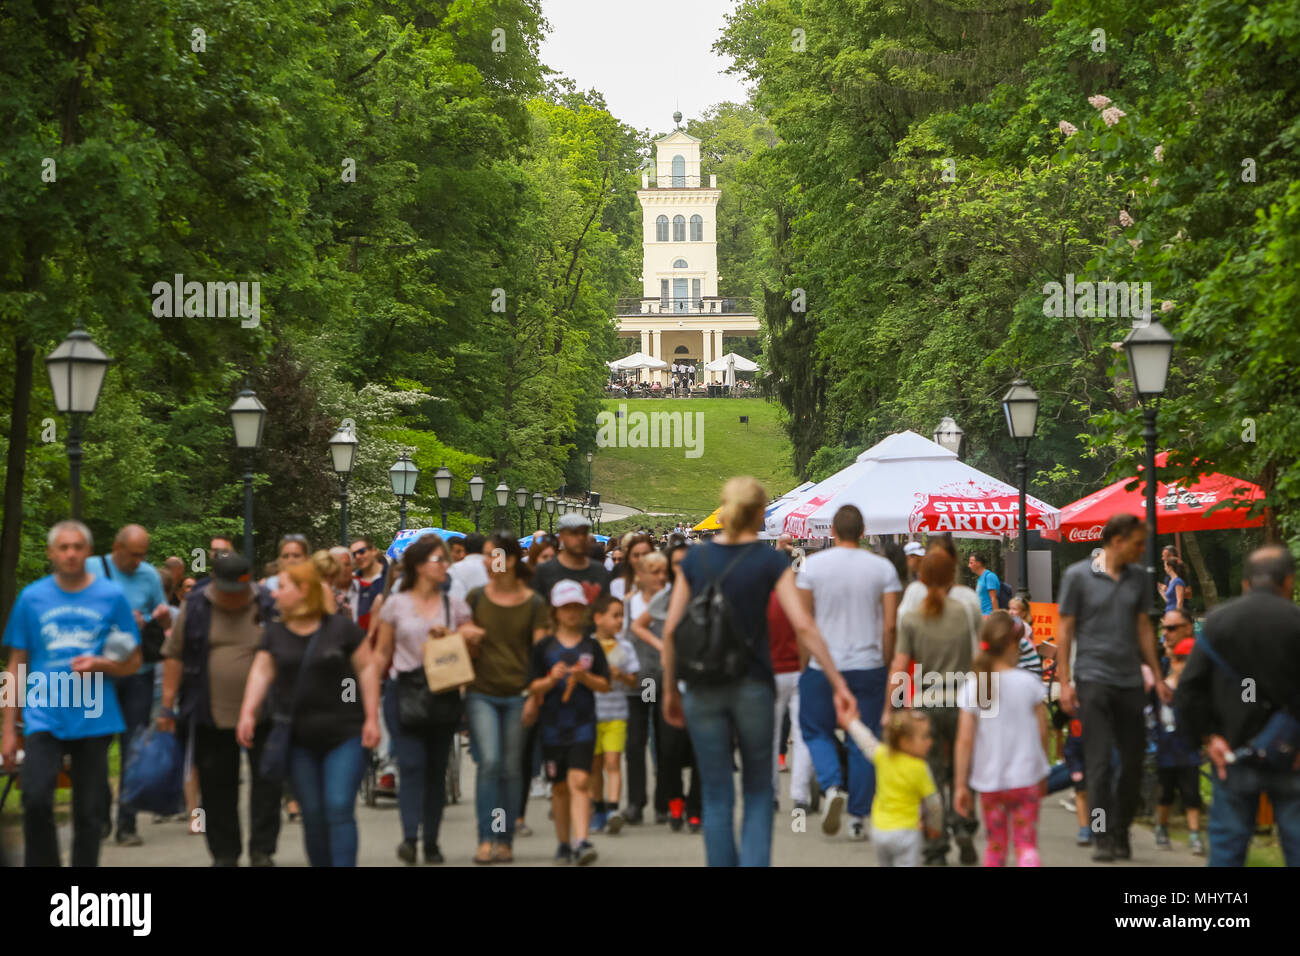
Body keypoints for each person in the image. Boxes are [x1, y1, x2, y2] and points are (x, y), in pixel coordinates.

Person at [662, 476, 854, 867]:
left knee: (716, 792)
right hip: (752, 683)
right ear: (761, 513)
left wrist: (669, 690)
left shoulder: (696, 559)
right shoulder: (770, 561)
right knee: (756, 790)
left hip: (702, 684)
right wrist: (836, 681)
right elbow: (803, 625)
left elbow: (670, 629)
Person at [2, 521, 142, 867]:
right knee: (34, 798)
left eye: (78, 547)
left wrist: (102, 664)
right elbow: (16, 662)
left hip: (94, 715)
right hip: (43, 712)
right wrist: (7, 730)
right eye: (63, 547)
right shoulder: (31, 598)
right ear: (52, 553)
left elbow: (133, 662)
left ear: (88, 552)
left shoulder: (111, 597)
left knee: (90, 811)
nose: (71, 553)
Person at [237, 561, 380, 866]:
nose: (275, 595)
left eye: (282, 587)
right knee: (313, 814)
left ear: (304, 591)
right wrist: (248, 712)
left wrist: (371, 717)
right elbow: (261, 673)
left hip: (346, 734)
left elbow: (366, 669)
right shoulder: (275, 633)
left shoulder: (341, 630)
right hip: (298, 737)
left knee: (339, 806)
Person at [1175, 545, 1300, 866]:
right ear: (1289, 581)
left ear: (1245, 583)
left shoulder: (1217, 624)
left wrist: (1207, 737)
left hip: (1230, 752)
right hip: (1292, 754)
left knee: (1228, 850)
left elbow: (1188, 690)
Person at [1057, 513, 1172, 862]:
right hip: (1092, 678)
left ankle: (1121, 829)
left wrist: (1157, 674)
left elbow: (1143, 629)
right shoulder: (1077, 576)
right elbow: (1064, 631)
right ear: (1117, 540)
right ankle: (1102, 834)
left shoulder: (1138, 578)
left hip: (1130, 681)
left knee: (1134, 762)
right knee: (1098, 762)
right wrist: (1064, 681)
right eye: (1138, 542)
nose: (1142, 549)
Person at [160, 553, 280, 866]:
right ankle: (225, 853)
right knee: (216, 786)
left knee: (267, 782)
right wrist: (166, 705)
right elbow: (174, 655)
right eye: (224, 588)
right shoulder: (197, 605)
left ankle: (262, 849)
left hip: (265, 713)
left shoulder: (267, 604)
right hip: (209, 712)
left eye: (236, 590)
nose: (230, 596)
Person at [796, 505, 902, 841]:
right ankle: (858, 816)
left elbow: (804, 622)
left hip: (822, 663)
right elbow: (889, 624)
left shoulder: (812, 567)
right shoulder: (882, 568)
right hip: (867, 664)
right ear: (863, 531)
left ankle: (830, 786)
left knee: (816, 730)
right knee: (864, 738)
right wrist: (885, 661)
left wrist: (804, 664)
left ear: (832, 531)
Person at [374, 534, 477, 865]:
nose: (445, 566)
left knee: (435, 771)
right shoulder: (396, 604)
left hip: (442, 691)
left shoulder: (455, 605)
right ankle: (409, 837)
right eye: (438, 560)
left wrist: (456, 636)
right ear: (418, 566)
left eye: (446, 560)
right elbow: (381, 652)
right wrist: (364, 694)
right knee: (411, 765)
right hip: (403, 690)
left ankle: (431, 842)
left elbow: (475, 646)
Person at [462, 533, 549, 863]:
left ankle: (505, 837)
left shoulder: (534, 603)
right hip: (482, 693)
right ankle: (486, 837)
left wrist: (535, 698)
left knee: (512, 768)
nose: (486, 561)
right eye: (484, 556)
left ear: (510, 561)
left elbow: (539, 657)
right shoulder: (475, 598)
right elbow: (464, 648)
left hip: (519, 693)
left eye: (491, 555)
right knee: (491, 763)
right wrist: (465, 636)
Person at [890, 547, 980, 864]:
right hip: (963, 704)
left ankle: (936, 846)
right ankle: (964, 825)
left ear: (923, 578)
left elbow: (900, 667)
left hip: (927, 703)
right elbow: (980, 660)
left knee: (929, 779)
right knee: (961, 771)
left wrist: (894, 706)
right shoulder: (966, 612)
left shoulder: (913, 619)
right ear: (952, 575)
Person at [953, 611, 1051, 867]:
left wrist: (961, 784)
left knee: (995, 847)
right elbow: (1043, 731)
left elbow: (964, 741)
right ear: (1011, 645)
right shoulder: (1029, 684)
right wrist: (1042, 772)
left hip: (989, 782)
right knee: (1026, 843)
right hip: (1026, 778)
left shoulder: (973, 686)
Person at [96, 524, 171, 847]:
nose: (138, 561)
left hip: (138, 671)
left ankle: (126, 823)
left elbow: (162, 619)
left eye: (143, 555)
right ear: (117, 547)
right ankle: (98, 815)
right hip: (99, 672)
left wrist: (157, 617)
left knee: (133, 748)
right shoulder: (92, 568)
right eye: (134, 555)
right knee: (95, 746)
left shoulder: (149, 575)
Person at [528, 580, 612, 864]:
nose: (572, 613)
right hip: (551, 726)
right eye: (566, 608)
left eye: (577, 607)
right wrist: (551, 679)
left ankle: (582, 840)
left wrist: (585, 678)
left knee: (580, 780)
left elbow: (605, 685)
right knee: (560, 786)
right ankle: (563, 842)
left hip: (583, 724)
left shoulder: (592, 646)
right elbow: (532, 687)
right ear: (555, 612)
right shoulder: (544, 648)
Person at [633, 552, 701, 831]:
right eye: (676, 563)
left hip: (700, 681)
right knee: (668, 748)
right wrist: (662, 647)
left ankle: (696, 808)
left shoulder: (706, 591)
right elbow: (638, 625)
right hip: (668, 681)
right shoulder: (667, 596)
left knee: (700, 748)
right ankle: (674, 802)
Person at [835, 703, 942, 866]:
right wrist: (935, 826)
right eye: (925, 737)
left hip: (880, 830)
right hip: (907, 832)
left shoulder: (883, 756)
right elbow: (933, 803)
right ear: (905, 741)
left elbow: (866, 741)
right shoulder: (920, 768)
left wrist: (851, 722)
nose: (930, 741)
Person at [588, 593, 639, 833]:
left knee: (613, 761)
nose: (619, 621)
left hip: (617, 713)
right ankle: (597, 808)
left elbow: (635, 680)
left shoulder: (626, 646)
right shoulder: (588, 645)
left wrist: (622, 676)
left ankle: (613, 809)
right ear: (598, 618)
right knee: (594, 765)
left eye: (622, 616)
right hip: (591, 714)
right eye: (615, 616)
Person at [1153, 634, 1204, 855]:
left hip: (1189, 750)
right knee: (1166, 794)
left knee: (1192, 794)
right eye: (1183, 661)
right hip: (1165, 750)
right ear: (1174, 661)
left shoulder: (1196, 692)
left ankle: (1194, 834)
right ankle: (1162, 827)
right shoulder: (1161, 689)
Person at [532, 512, 610, 605]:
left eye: (584, 533)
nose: (580, 538)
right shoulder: (543, 571)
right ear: (561, 537)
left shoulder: (599, 570)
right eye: (574, 533)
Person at [349, 537, 388, 639]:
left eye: (361, 551)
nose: (358, 556)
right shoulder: (353, 582)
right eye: (354, 554)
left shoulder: (392, 578)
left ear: (373, 551)